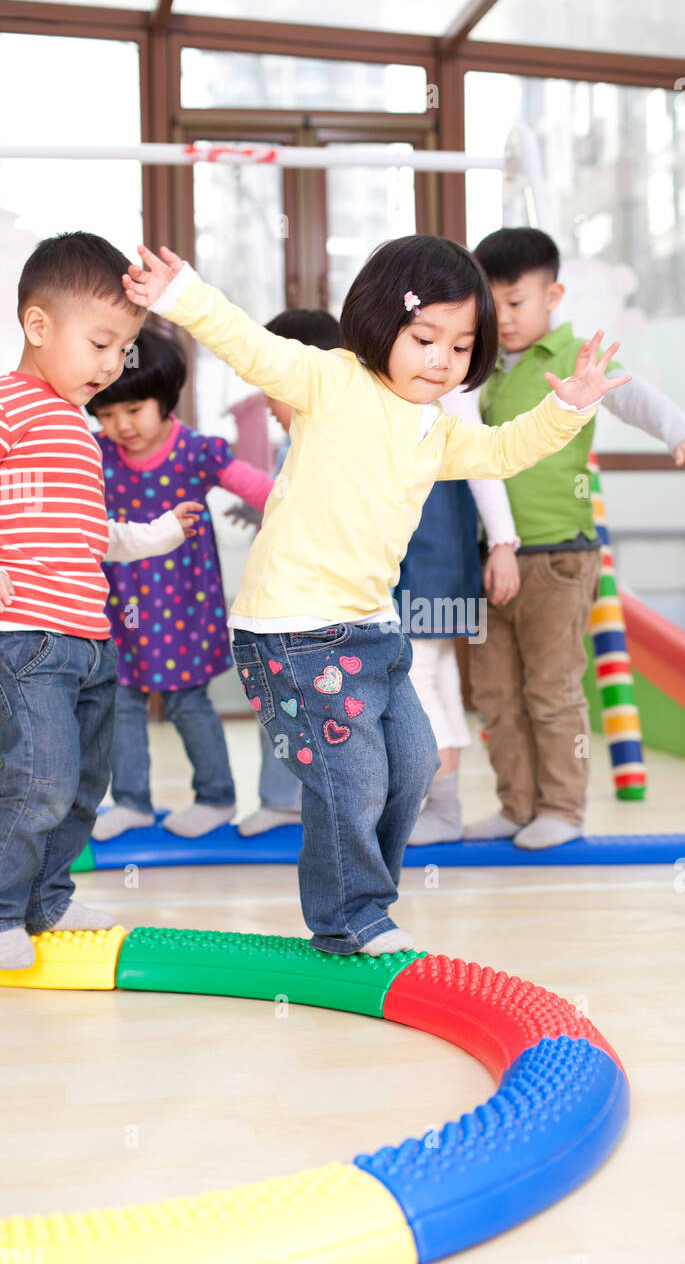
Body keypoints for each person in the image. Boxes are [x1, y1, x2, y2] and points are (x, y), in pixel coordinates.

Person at [122, 233, 631, 956]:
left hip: (371, 627)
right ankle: (349, 917)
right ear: (381, 322)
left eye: (460, 348)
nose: (441, 360)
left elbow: (501, 451)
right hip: (293, 627)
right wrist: (181, 296)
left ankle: (366, 903)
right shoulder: (330, 381)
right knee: (351, 776)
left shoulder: (436, 424)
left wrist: (569, 408)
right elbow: (249, 346)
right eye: (426, 338)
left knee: (415, 762)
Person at [466, 226, 685, 849]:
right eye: (491, 303)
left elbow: (635, 395)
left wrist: (681, 434)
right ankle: (516, 805)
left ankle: (561, 807)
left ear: (553, 294)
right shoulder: (476, 367)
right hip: (489, 556)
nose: (501, 317)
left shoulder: (577, 354)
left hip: (560, 554)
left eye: (515, 302)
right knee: (496, 693)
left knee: (552, 688)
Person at [0, 231, 201, 970]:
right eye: (101, 344)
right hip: (26, 637)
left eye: (124, 350)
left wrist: (152, 536)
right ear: (39, 326)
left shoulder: (81, 432)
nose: (113, 365)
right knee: (38, 779)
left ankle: (47, 899)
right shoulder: (12, 404)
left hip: (90, 640)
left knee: (85, 784)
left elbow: (90, 532)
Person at [86, 323, 274, 841]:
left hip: (181, 607)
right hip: (115, 606)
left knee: (187, 702)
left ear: (164, 399)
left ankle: (215, 797)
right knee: (120, 703)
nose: (120, 425)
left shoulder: (195, 450)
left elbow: (255, 486)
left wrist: (296, 505)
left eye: (133, 409)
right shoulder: (96, 455)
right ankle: (132, 802)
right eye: (106, 413)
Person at [231, 308, 342, 838]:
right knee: (278, 705)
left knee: (335, 714)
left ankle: (335, 808)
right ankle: (280, 801)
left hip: (330, 608)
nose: (266, 404)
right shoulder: (290, 448)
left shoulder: (343, 444)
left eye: (270, 388)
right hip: (280, 609)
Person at [400, 382, 520, 845]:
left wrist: (504, 543)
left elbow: (485, 468)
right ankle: (444, 808)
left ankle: (443, 809)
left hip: (434, 559)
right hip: (437, 557)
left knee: (418, 677)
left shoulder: (446, 392)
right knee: (440, 674)